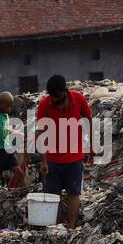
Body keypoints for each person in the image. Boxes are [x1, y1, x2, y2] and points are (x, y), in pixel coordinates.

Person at [37, 74, 92, 228]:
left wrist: (91, 146)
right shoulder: (44, 104)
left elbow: (88, 119)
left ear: (65, 92)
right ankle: (53, 225)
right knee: (52, 195)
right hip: (53, 159)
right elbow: (41, 134)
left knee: (73, 193)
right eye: (52, 97)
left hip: (75, 157)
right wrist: (44, 161)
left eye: (58, 97)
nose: (55, 101)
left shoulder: (79, 99)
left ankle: (72, 226)